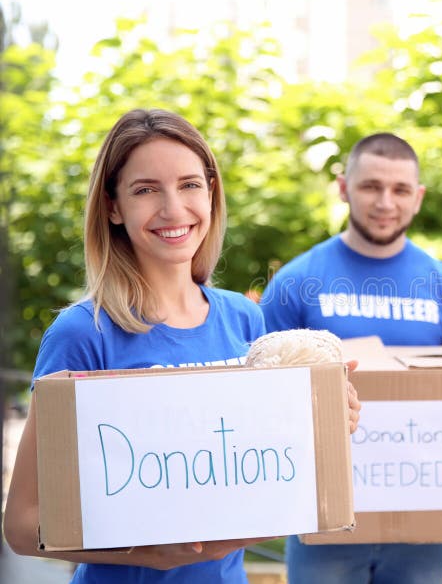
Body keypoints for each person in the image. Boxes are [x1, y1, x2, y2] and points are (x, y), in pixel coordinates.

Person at [3, 108, 359, 584]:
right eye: (146, 190)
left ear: (211, 193)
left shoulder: (245, 318)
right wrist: (144, 553)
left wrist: (328, 422)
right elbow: (23, 526)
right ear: (112, 207)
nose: (173, 209)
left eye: (190, 184)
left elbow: (258, 465)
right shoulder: (82, 333)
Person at [259, 132, 442, 584]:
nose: (385, 202)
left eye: (400, 190)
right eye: (370, 186)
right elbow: (261, 398)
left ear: (417, 198)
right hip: (321, 514)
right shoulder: (295, 283)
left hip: (421, 515)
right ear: (343, 188)